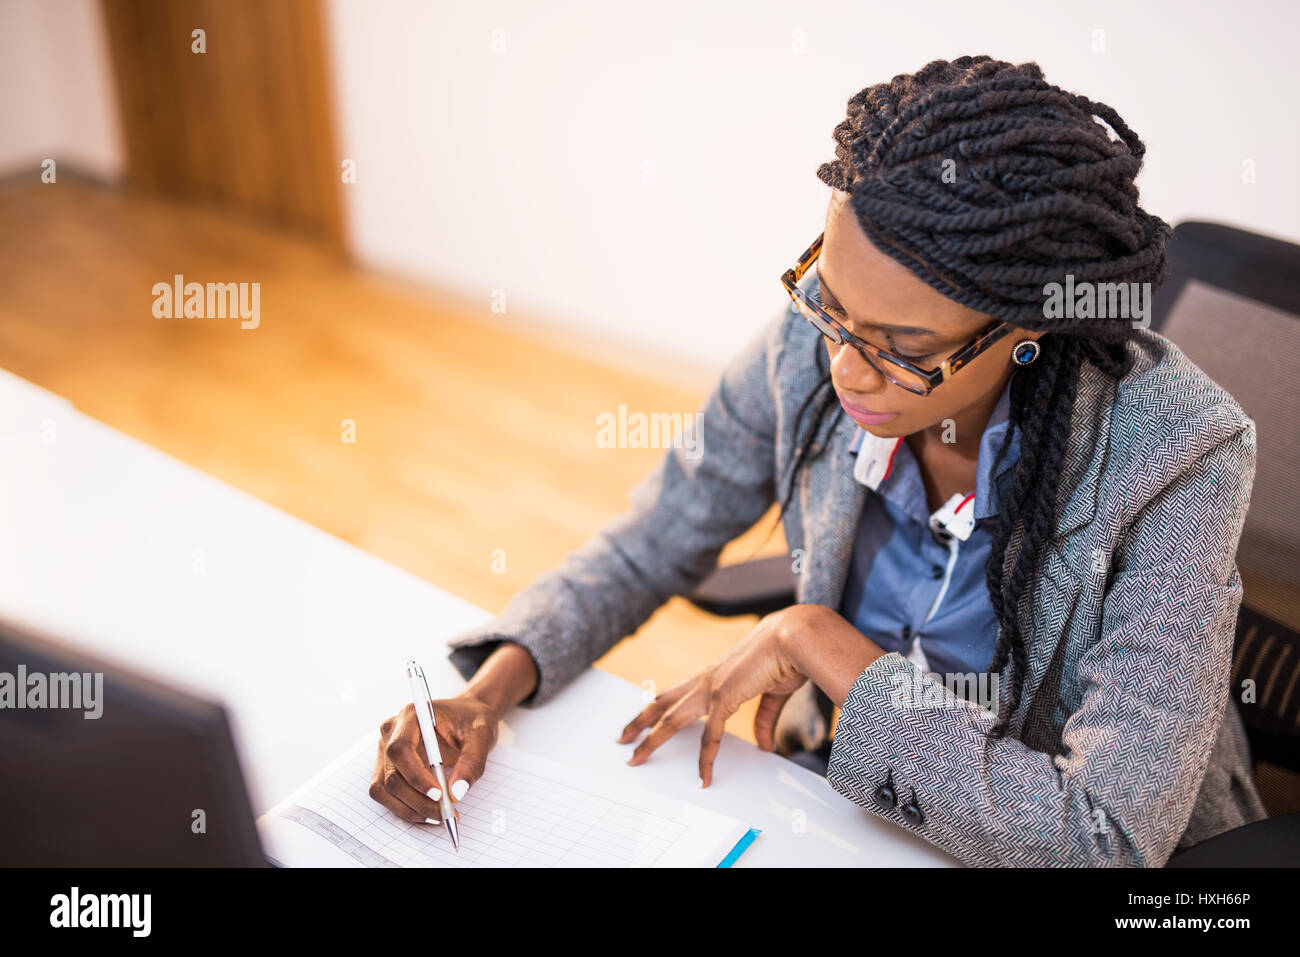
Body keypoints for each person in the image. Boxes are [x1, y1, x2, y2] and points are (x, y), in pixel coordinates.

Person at [368, 55, 1268, 866]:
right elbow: (650, 540)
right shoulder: (818, 346)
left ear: (1027, 327)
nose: (844, 364)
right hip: (857, 813)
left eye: (902, 344)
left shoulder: (1177, 452)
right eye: (829, 302)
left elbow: (1098, 837)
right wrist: (489, 691)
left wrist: (820, 641)